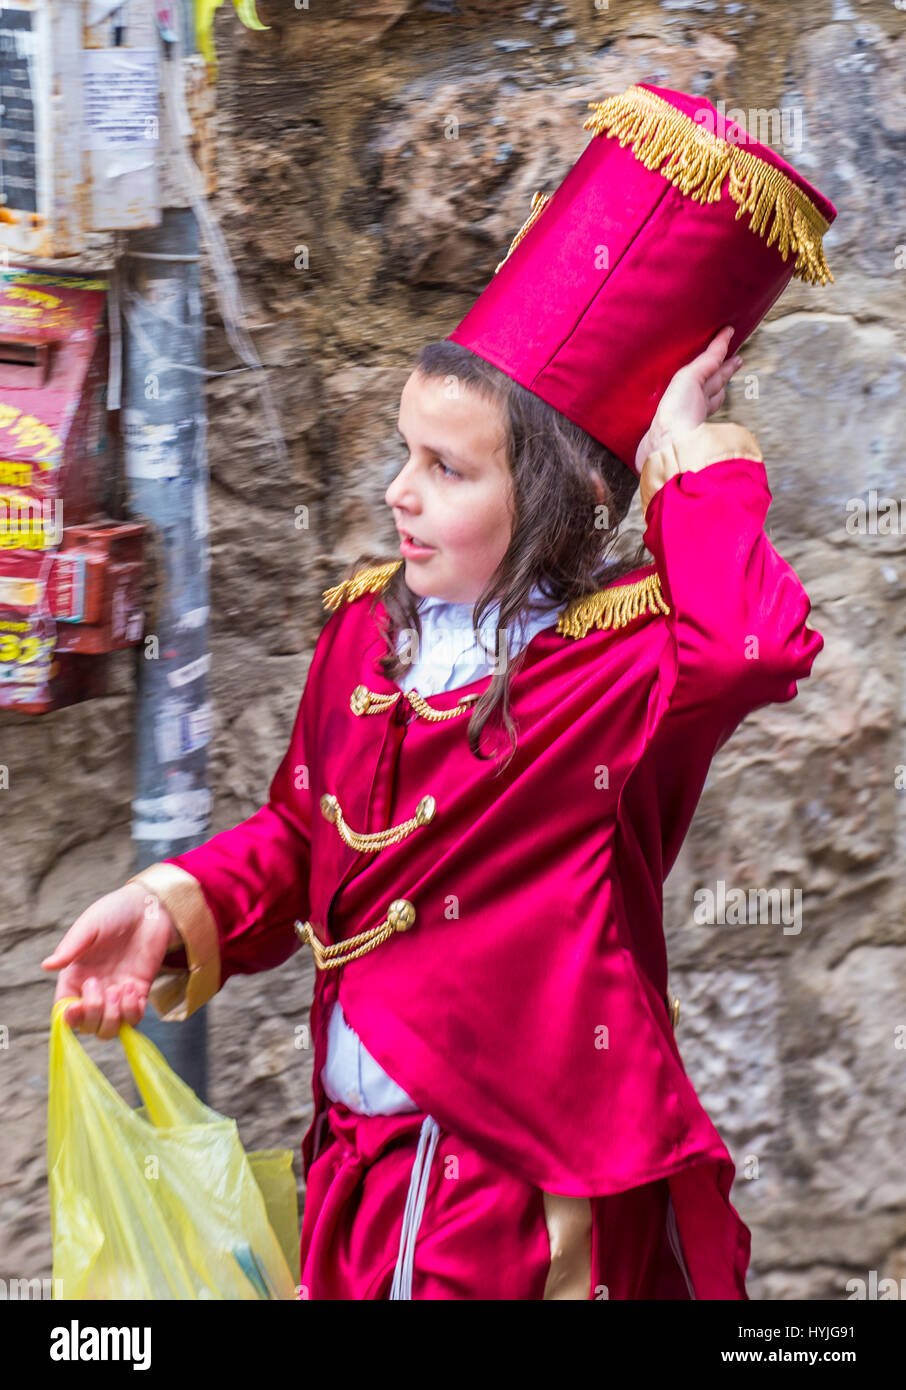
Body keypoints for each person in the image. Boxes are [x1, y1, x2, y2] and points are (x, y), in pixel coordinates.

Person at [42, 81, 837, 1299]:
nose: (399, 493)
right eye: (405, 453)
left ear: (555, 501)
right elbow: (308, 839)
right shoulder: (367, 631)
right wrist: (172, 898)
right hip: (357, 1175)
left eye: (446, 468)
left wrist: (693, 463)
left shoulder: (623, 667)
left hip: (513, 1201)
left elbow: (750, 646)